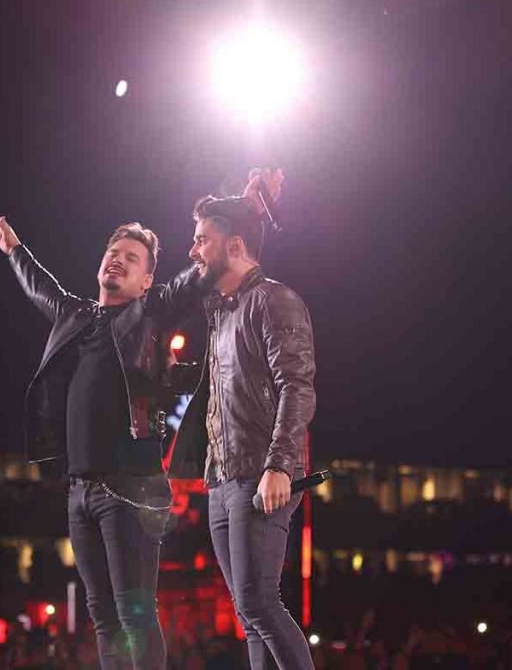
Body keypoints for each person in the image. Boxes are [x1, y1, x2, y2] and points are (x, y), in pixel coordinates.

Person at [0, 214, 211, 669]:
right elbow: (40, 287)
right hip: (79, 490)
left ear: (147, 281)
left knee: (134, 614)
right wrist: (13, 248)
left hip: (131, 486)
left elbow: (192, 282)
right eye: (113, 253)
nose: (118, 261)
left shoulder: (150, 314)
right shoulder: (76, 316)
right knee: (103, 617)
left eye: (132, 258)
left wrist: (232, 223)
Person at [169, 168, 317, 669]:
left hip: (262, 473)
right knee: (247, 611)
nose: (192, 251)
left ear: (232, 246)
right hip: (222, 479)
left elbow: (297, 387)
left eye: (201, 240)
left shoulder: (276, 300)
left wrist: (280, 465)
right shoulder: (221, 310)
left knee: (258, 602)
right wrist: (250, 206)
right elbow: (200, 283)